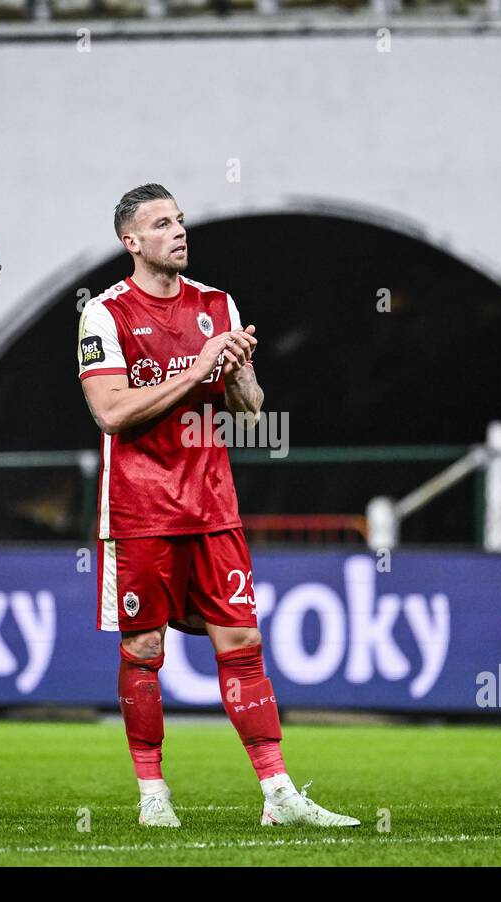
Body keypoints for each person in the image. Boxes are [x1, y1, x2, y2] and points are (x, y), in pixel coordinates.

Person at [78, 183, 358, 828]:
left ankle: (278, 793)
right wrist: (199, 365)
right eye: (161, 224)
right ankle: (153, 795)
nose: (178, 231)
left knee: (243, 640)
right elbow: (111, 412)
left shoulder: (216, 304)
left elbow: (250, 409)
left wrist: (237, 372)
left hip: (211, 504)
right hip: (139, 507)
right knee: (144, 648)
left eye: (180, 220)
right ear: (131, 242)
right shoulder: (105, 314)